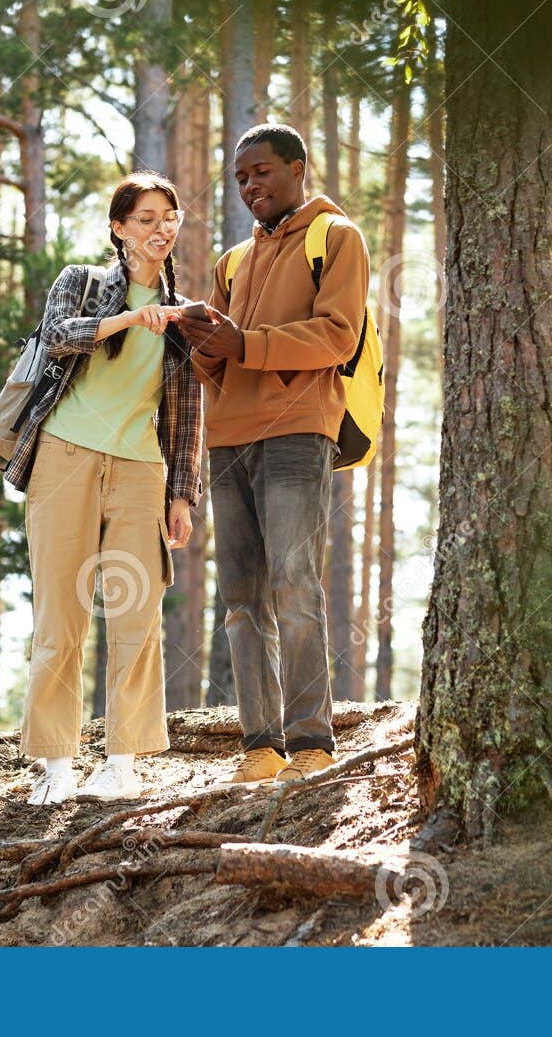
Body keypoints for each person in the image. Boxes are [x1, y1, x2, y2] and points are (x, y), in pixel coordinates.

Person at [178, 123, 371, 788]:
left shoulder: (336, 237)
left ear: (297, 167)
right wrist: (201, 343)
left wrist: (245, 345)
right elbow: (217, 360)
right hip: (228, 437)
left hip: (298, 429)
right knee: (240, 597)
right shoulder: (232, 262)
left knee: (294, 582)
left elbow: (338, 335)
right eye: (240, 178)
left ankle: (313, 742)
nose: (249, 186)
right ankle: (261, 746)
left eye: (260, 171)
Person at [4, 172, 203, 804]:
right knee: (60, 615)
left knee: (137, 615)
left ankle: (122, 763)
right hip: (64, 458)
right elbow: (58, 336)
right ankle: (56, 766)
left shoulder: (182, 314)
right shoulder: (82, 282)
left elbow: (185, 411)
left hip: (141, 470)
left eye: (169, 218)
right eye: (145, 218)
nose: (160, 229)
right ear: (119, 228)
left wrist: (182, 493)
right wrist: (128, 319)